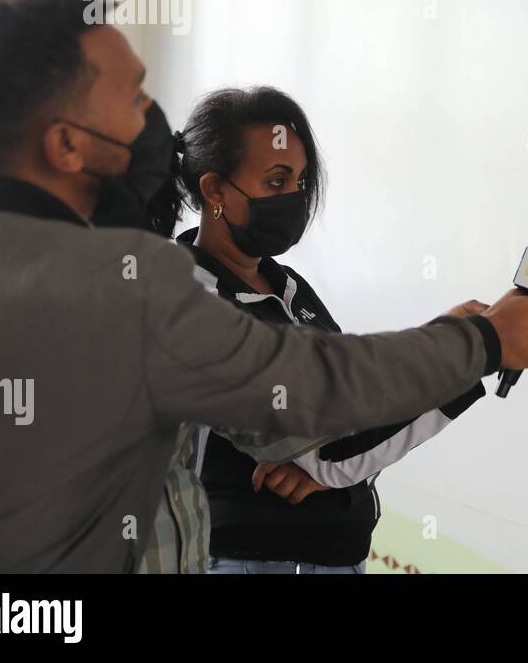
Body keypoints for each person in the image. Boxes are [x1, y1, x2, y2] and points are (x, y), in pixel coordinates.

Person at [0, 0, 528, 572]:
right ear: (66, 145)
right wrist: (484, 343)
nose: (155, 122)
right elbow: (322, 387)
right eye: (133, 97)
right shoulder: (138, 288)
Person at [146, 86, 486, 574]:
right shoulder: (195, 295)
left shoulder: (287, 286)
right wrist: (470, 351)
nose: (295, 198)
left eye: (301, 181)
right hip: (250, 560)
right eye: (276, 180)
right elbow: (335, 445)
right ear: (214, 189)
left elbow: (350, 410)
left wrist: (328, 472)